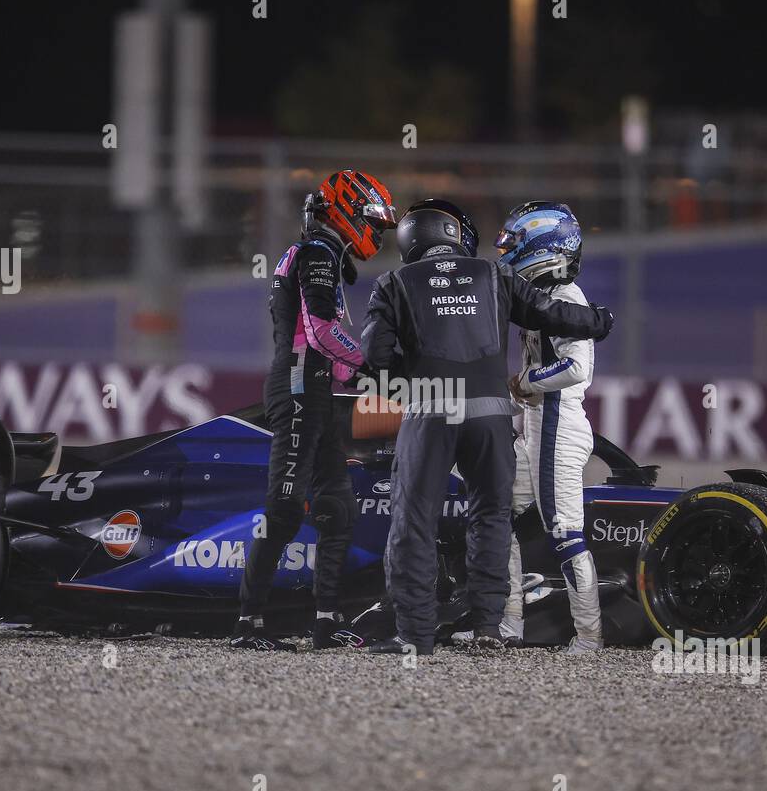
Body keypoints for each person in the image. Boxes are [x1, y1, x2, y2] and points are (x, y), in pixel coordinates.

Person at [360, 199, 613, 655]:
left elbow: (374, 357)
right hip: (493, 416)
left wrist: (411, 378)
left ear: (410, 242)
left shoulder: (394, 282)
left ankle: (415, 637)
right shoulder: (493, 275)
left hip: (433, 411)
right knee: (492, 519)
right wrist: (600, 320)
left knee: (414, 521)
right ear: (455, 236)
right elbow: (549, 312)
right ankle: (489, 629)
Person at [232, 169, 397, 651]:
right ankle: (248, 626)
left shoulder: (316, 253)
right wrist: (376, 363)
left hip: (314, 390)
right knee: (284, 512)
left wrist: (367, 378)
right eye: (374, 222)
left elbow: (324, 349)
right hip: (299, 391)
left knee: (338, 509)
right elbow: (322, 332)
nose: (377, 234)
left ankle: (325, 624)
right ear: (348, 210)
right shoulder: (317, 253)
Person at [496, 202, 603, 653]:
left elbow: (578, 368)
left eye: (516, 244)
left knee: (565, 535)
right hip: (539, 425)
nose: (508, 254)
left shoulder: (566, 298)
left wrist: (526, 381)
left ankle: (590, 638)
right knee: (499, 513)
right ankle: (509, 625)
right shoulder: (548, 297)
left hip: (558, 428)